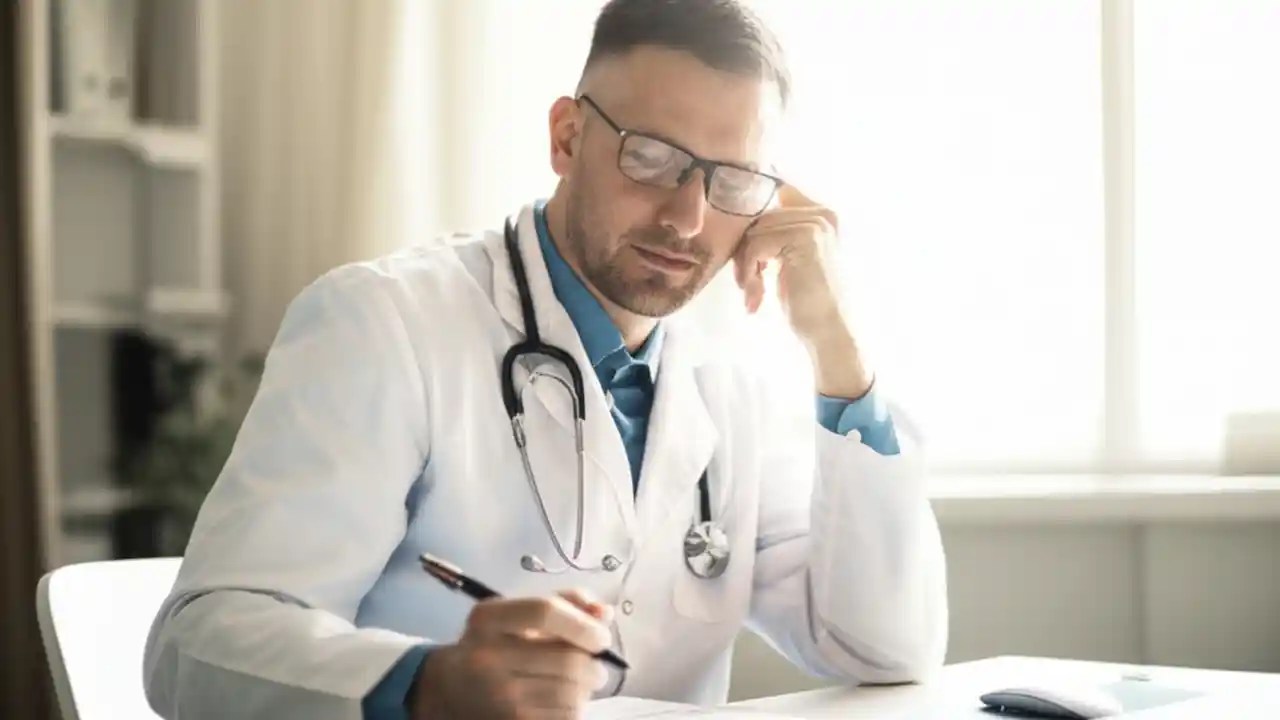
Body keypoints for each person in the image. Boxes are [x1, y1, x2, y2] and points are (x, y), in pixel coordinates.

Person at [142, 1, 947, 718]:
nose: (689, 218)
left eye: (731, 181)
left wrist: (838, 350)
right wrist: (426, 684)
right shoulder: (383, 322)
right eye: (652, 158)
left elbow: (885, 650)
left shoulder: (731, 374)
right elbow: (198, 645)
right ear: (567, 137)